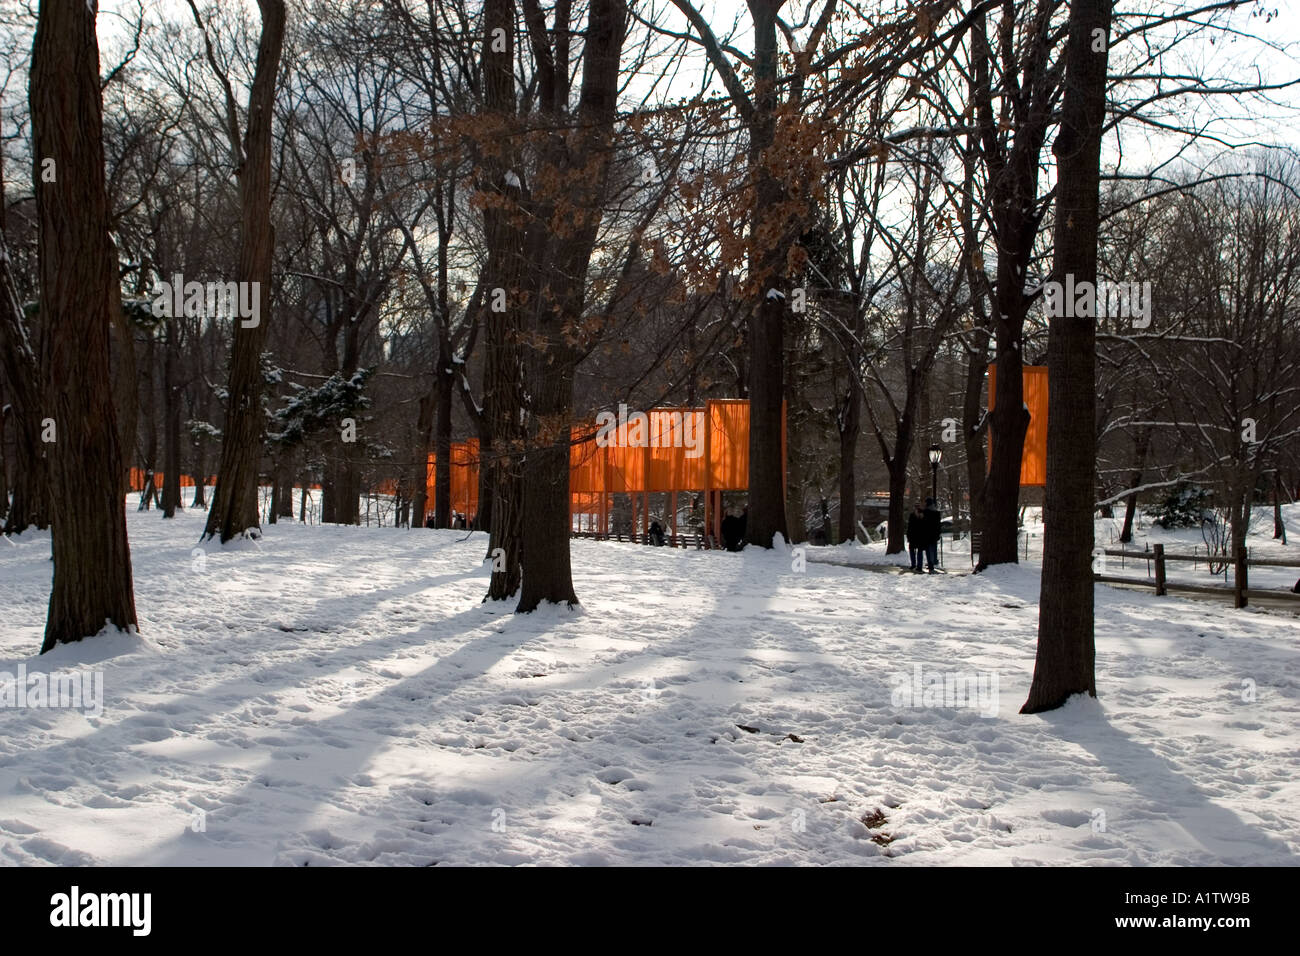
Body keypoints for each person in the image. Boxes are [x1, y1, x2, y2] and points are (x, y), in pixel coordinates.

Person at [923, 497, 942, 573]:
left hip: (928, 534)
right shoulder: (937, 513)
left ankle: (931, 564)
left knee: (928, 550)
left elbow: (924, 524)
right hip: (935, 535)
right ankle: (934, 561)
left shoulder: (926, 512)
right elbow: (938, 525)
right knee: (934, 549)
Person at [906, 503, 925, 572]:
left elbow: (910, 527)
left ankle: (913, 564)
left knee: (912, 550)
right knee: (919, 551)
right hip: (920, 536)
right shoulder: (923, 515)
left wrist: (908, 536)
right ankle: (919, 565)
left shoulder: (912, 515)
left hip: (913, 536)